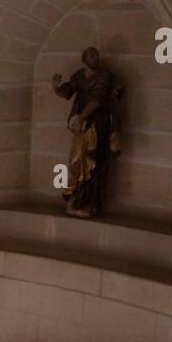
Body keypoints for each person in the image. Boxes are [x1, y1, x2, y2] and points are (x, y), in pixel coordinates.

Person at [52, 46, 123, 219]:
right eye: (91, 55)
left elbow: (98, 100)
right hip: (80, 125)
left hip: (97, 122)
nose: (95, 57)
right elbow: (67, 91)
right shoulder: (79, 76)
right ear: (84, 58)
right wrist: (55, 88)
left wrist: (82, 116)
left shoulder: (104, 77)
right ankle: (77, 195)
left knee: (93, 158)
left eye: (96, 54)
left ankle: (91, 199)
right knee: (77, 159)